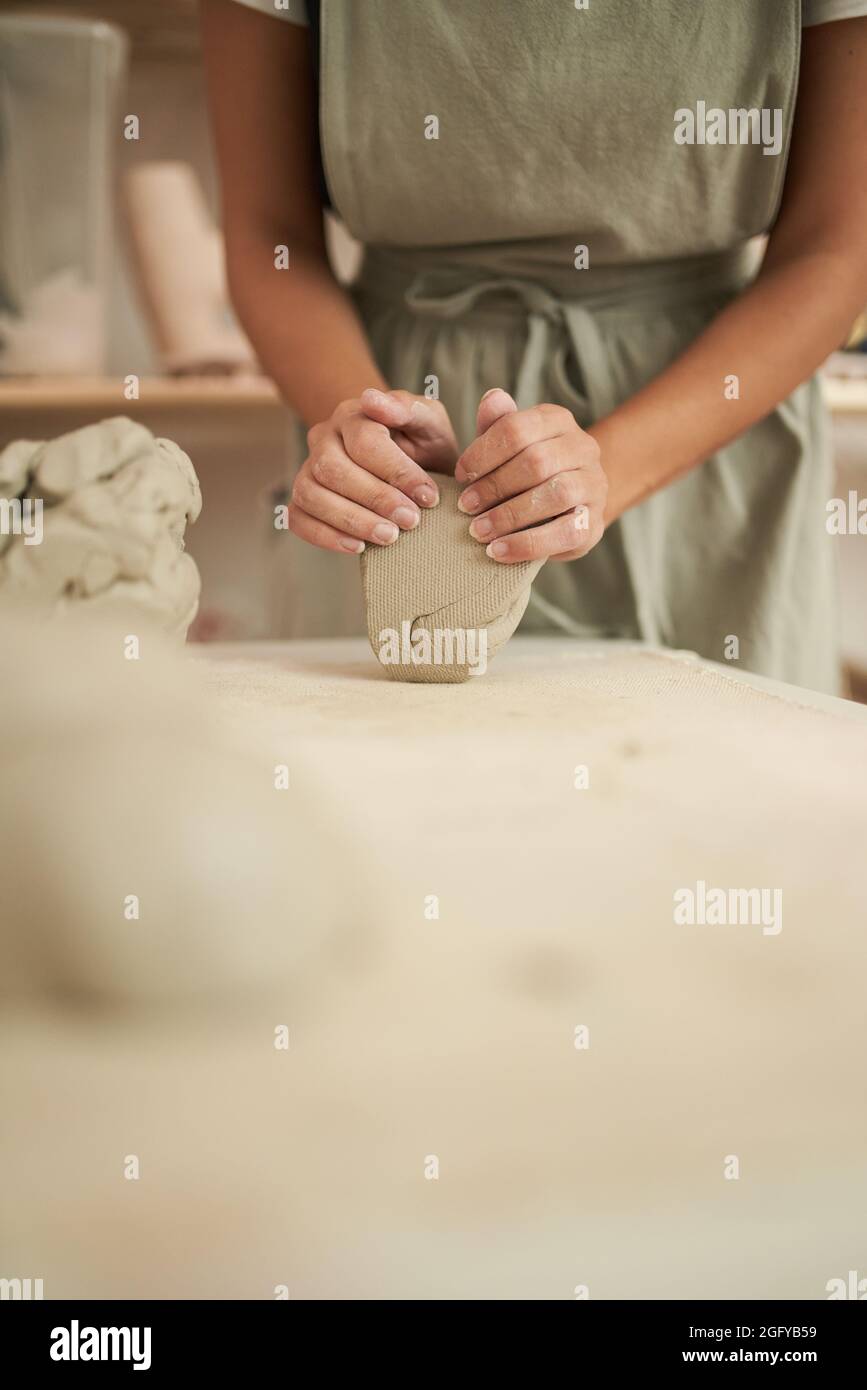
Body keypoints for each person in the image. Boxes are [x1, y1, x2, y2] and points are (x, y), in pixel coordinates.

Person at [201, 0, 867, 691]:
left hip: (708, 423)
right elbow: (269, 235)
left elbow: (834, 253)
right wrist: (362, 430)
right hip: (388, 401)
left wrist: (608, 468)